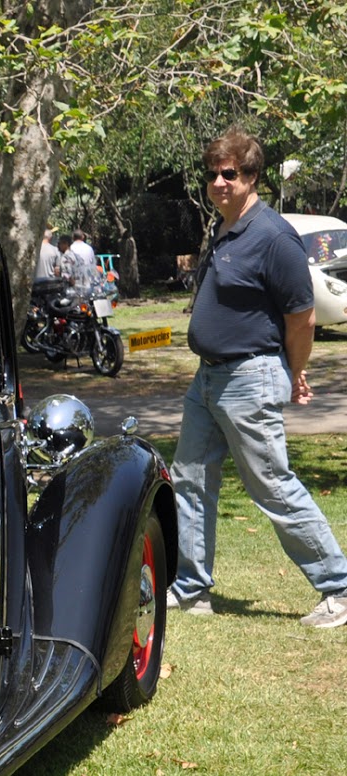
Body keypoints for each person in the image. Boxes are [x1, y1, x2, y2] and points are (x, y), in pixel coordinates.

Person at [169, 126, 347, 627]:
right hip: (208, 379)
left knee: (271, 484)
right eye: (212, 174)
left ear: (252, 177)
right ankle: (191, 587)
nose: (219, 182)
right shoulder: (222, 228)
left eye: (230, 174)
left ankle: (339, 587)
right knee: (190, 479)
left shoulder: (274, 236)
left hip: (249, 377)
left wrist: (297, 372)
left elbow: (302, 317)